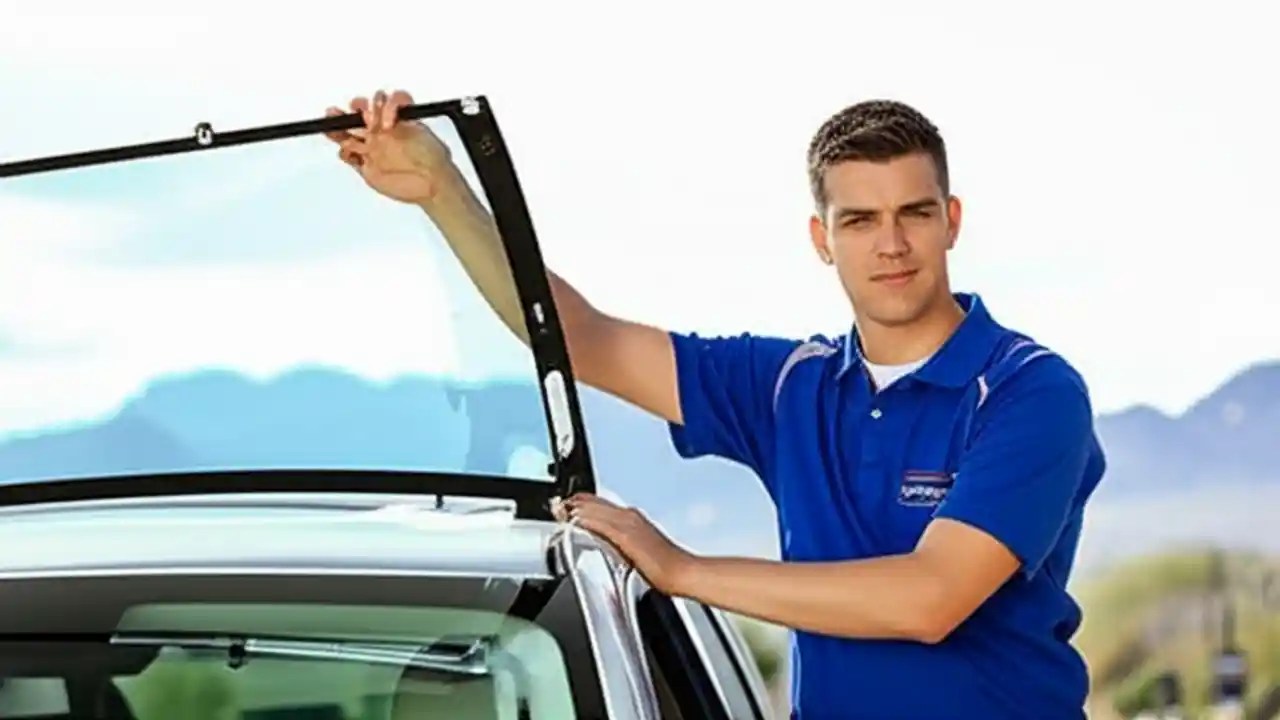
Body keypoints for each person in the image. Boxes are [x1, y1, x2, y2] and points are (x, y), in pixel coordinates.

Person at [325, 88, 1107, 719]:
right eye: (859, 220)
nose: (891, 245)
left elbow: (931, 598)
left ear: (952, 221)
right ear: (820, 237)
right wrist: (443, 192)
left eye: (915, 213)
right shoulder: (789, 385)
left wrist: (682, 569)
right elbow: (580, 336)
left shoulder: (1028, 391)